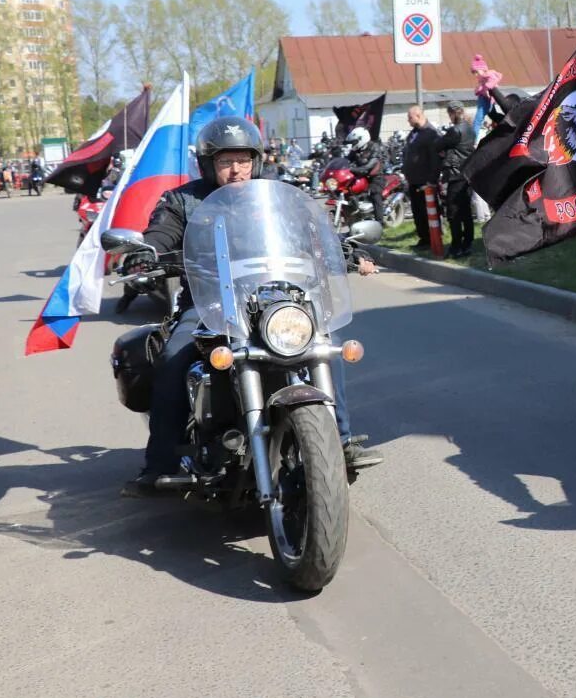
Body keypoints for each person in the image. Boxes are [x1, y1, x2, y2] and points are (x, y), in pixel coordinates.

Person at [121, 117, 382, 497]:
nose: (236, 169)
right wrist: (147, 254)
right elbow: (161, 232)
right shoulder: (183, 201)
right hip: (211, 302)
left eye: (242, 159)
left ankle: (339, 441)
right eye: (226, 161)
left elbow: (312, 231)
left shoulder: (275, 194)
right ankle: (160, 461)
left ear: (255, 160)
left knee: (326, 345)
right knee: (173, 358)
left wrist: (348, 251)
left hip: (275, 298)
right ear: (208, 165)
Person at [401, 105, 446, 253]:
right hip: (413, 180)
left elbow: (436, 158)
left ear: (418, 115)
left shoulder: (430, 133)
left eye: (410, 117)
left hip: (425, 181)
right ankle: (423, 238)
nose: (408, 120)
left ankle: (432, 238)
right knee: (417, 211)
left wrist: (431, 179)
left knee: (428, 211)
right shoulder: (414, 133)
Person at [440, 101, 477, 258]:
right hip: (466, 173)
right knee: (466, 212)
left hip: (455, 174)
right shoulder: (470, 129)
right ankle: (467, 244)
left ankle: (456, 246)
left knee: (453, 213)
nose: (449, 116)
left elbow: (438, 144)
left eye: (449, 113)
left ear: (454, 113)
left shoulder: (455, 131)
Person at [345, 126, 388, 223]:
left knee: (374, 194)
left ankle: (379, 223)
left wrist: (351, 169)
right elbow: (346, 161)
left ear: (361, 139)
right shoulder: (355, 151)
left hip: (376, 177)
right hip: (360, 176)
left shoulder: (375, 147)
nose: (353, 144)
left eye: (354, 142)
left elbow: (368, 167)